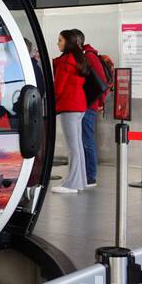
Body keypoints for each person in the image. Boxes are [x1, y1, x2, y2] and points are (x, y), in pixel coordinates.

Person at [52, 30, 89, 194]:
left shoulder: (66, 61)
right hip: (80, 105)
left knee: (72, 147)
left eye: (60, 40)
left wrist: (51, 104)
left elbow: (58, 88)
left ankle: (71, 184)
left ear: (68, 42)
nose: (58, 43)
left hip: (69, 105)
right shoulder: (79, 59)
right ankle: (81, 180)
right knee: (78, 146)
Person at [75, 29, 108, 188]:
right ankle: (85, 175)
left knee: (87, 141)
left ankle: (90, 176)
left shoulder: (89, 56)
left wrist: (100, 102)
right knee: (83, 141)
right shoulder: (83, 56)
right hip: (84, 105)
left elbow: (102, 82)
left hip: (89, 106)